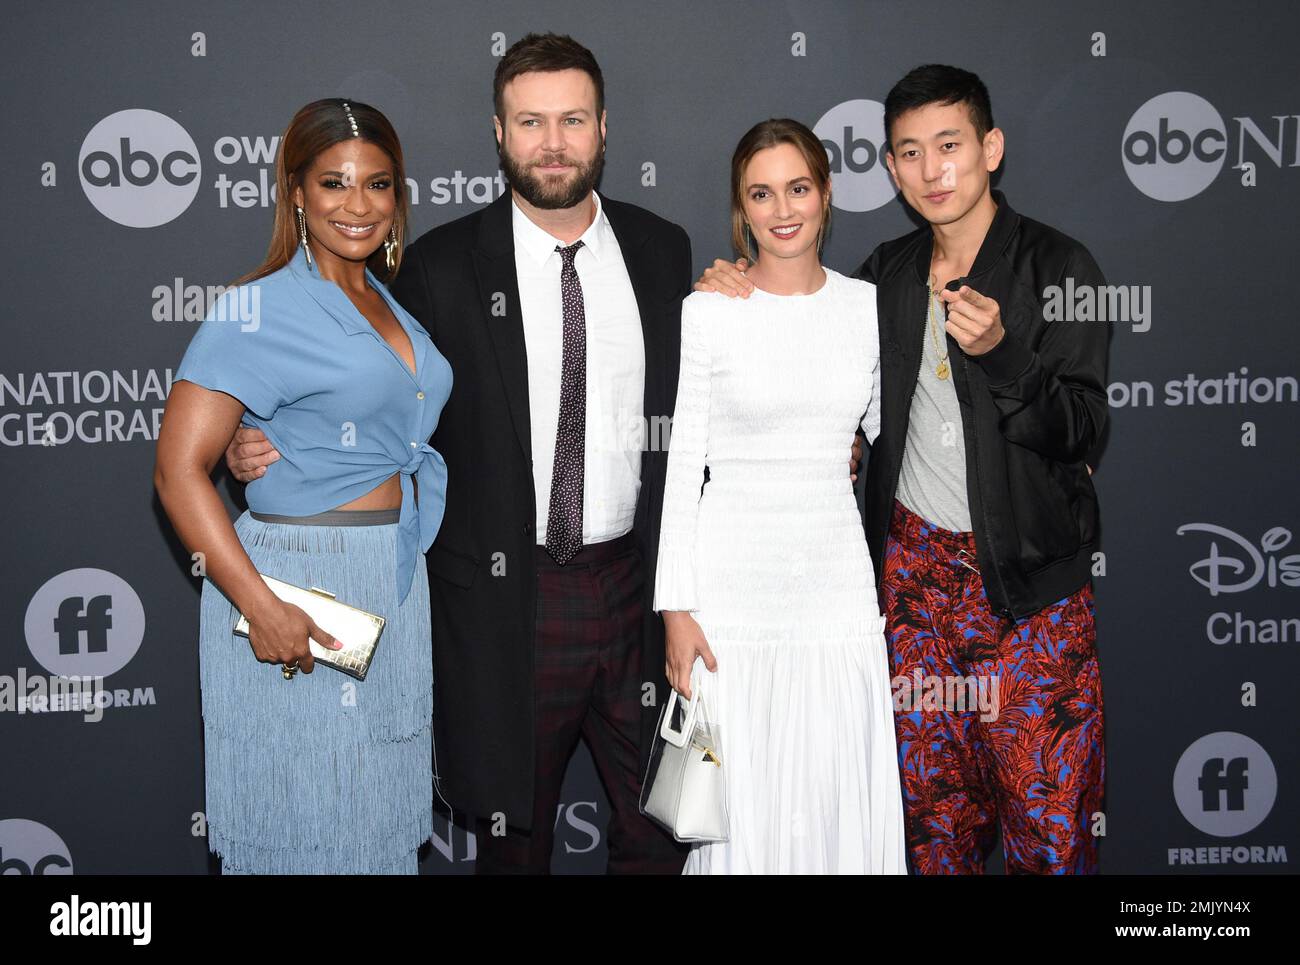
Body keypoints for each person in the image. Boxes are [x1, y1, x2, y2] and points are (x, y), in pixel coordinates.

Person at [226, 33, 693, 874]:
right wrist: (254, 434)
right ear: (498, 131)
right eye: (530, 121)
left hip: (638, 590)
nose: (552, 142)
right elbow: (368, 392)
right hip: (505, 600)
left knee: (659, 833)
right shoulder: (437, 267)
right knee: (511, 846)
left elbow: (707, 402)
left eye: (573, 120)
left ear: (603, 128)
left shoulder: (665, 251)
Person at [696, 65, 1108, 874]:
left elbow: (1085, 430)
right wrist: (736, 281)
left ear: (990, 148)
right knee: (931, 835)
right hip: (914, 595)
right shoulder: (881, 276)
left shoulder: (1059, 270)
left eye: (950, 146)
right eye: (910, 153)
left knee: (1052, 839)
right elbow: (814, 350)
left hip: (1029, 599)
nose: (933, 171)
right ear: (888, 169)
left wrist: (1003, 356)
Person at [154, 98, 452, 874]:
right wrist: (261, 605)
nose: (359, 204)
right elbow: (177, 470)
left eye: (379, 184)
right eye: (334, 183)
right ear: (295, 192)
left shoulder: (387, 300)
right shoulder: (255, 309)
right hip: (297, 586)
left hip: (392, 578)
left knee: (378, 822)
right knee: (304, 825)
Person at [655, 118, 907, 874]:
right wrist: (676, 607)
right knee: (745, 819)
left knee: (837, 798)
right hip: (730, 601)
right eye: (761, 194)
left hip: (835, 590)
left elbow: (894, 436)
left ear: (827, 194)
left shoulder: (869, 308)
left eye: (798, 187)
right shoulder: (709, 312)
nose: (782, 208)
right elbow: (682, 465)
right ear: (742, 208)